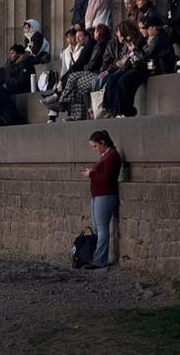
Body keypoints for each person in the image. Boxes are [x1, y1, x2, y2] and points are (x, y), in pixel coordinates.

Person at [81, 130, 121, 269]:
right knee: (97, 227)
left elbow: (109, 178)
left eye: (95, 146)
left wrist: (92, 174)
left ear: (102, 143)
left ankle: (99, 260)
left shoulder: (112, 156)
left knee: (102, 227)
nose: (95, 149)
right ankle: (97, 257)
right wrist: (92, 174)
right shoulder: (106, 156)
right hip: (98, 195)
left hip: (106, 195)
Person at [58, 25, 111, 120]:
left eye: (95, 32)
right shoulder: (97, 44)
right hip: (94, 72)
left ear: (99, 33)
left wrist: (86, 67)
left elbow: (91, 64)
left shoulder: (99, 44)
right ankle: (70, 107)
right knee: (74, 80)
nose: (77, 39)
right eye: (76, 37)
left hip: (97, 74)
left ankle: (62, 101)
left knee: (73, 78)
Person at [102, 20, 147, 117]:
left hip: (140, 67)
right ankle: (109, 109)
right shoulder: (126, 44)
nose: (117, 36)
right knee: (111, 79)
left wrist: (133, 50)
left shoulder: (137, 40)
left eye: (118, 34)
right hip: (130, 66)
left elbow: (142, 56)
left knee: (122, 81)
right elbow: (123, 59)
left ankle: (122, 110)